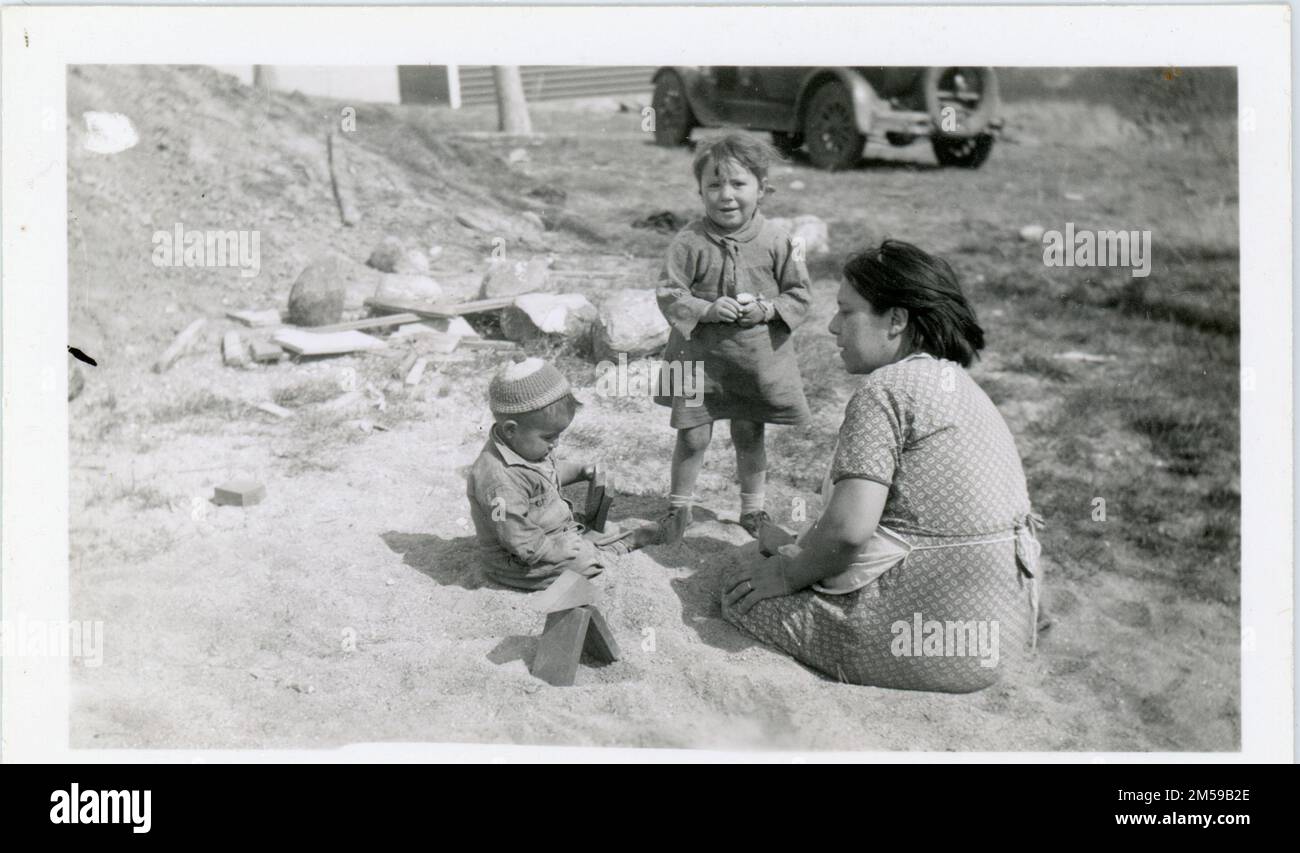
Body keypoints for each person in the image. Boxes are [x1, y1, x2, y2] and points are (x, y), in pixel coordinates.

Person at [721, 240, 1043, 693]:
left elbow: (850, 531)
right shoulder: (962, 385)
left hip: (925, 645)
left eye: (847, 312)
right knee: (779, 554)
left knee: (737, 586)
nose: (833, 327)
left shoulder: (887, 389)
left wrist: (788, 572)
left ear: (896, 320)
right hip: (997, 638)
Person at [654, 133, 813, 544]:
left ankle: (752, 509)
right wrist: (705, 309)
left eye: (738, 184)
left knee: (749, 432)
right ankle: (678, 507)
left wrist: (768, 309)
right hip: (696, 360)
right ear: (700, 190)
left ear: (764, 189)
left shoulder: (783, 241)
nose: (725, 195)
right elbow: (669, 291)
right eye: (714, 184)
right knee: (692, 434)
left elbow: (800, 293)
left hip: (752, 359)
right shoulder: (688, 241)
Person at [466, 357, 658, 590]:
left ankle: (615, 541)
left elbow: (549, 472)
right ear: (511, 430)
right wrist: (551, 549)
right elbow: (513, 534)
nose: (555, 444)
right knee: (584, 562)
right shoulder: (498, 480)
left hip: (553, 531)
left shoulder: (524, 448)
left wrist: (580, 471)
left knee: (602, 530)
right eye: (549, 437)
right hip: (518, 559)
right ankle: (607, 552)